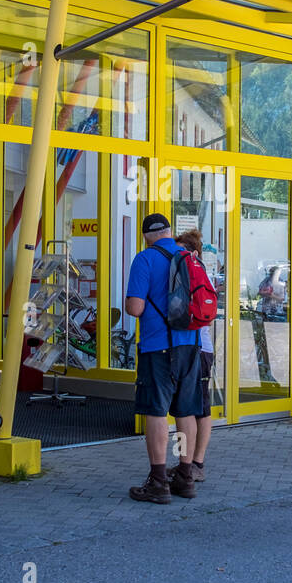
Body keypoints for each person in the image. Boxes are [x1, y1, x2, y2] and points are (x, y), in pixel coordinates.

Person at [124, 213, 201, 504]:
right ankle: (185, 475)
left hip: (158, 347)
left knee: (156, 411)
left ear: (146, 235)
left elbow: (134, 307)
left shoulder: (145, 259)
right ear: (169, 232)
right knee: (184, 412)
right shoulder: (190, 256)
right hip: (191, 345)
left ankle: (158, 481)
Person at [172, 229, 213, 482]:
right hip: (197, 348)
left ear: (193, 252)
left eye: (182, 251)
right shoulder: (192, 272)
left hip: (198, 348)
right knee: (188, 410)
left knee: (198, 411)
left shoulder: (193, 273)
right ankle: (187, 464)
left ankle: (195, 463)